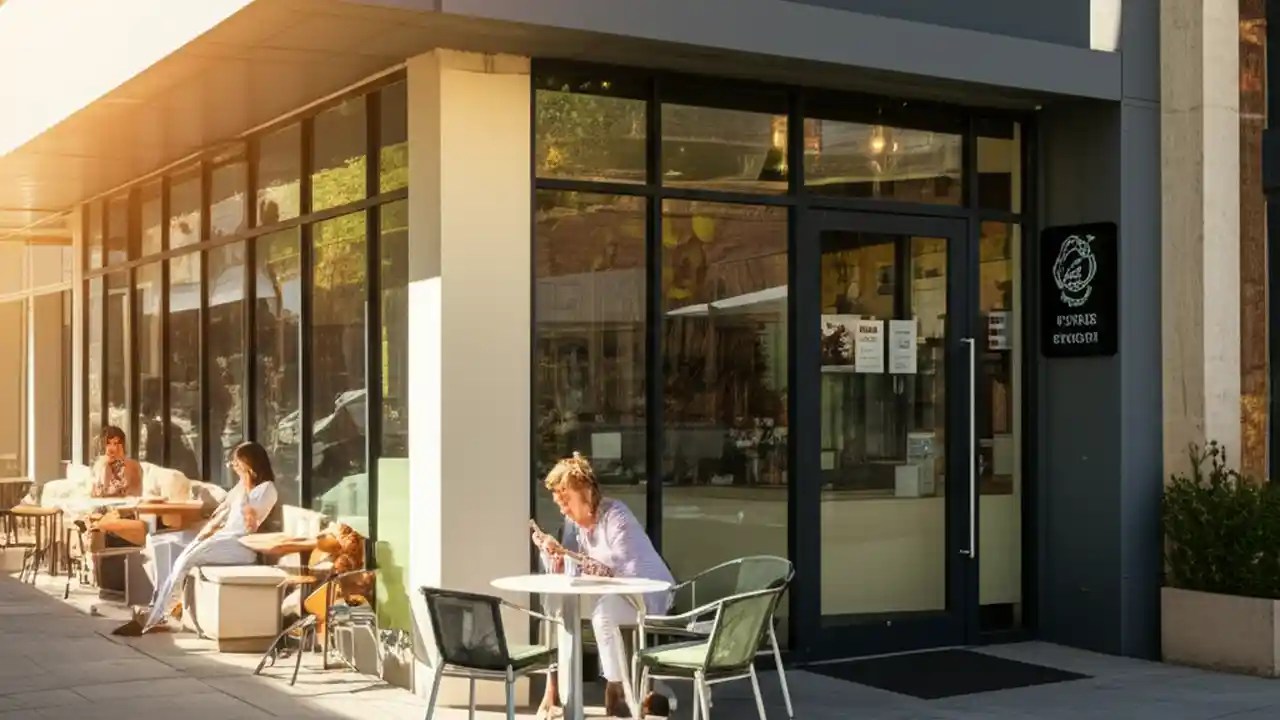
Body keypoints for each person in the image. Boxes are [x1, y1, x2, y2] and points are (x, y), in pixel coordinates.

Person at [532, 453, 674, 718]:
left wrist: (569, 556)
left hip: (645, 591)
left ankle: (618, 690)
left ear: (586, 492)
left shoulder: (616, 516)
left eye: (567, 501)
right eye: (559, 503)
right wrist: (555, 555)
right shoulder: (574, 523)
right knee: (556, 607)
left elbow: (621, 572)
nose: (563, 509)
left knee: (603, 614)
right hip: (609, 591)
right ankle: (557, 691)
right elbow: (572, 562)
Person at [112, 441, 279, 636]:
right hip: (223, 537)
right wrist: (207, 530)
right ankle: (157, 612)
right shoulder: (241, 487)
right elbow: (222, 511)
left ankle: (158, 616)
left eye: (237, 463)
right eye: (233, 463)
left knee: (185, 562)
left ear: (250, 463)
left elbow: (250, 521)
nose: (234, 468)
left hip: (240, 545)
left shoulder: (267, 489)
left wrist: (245, 485)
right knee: (177, 556)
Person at [92, 426, 142, 498]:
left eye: (116, 443)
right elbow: (96, 493)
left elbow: (129, 493)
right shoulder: (101, 465)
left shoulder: (132, 466)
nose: (112, 448)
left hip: (128, 507)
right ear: (103, 446)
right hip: (106, 506)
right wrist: (106, 467)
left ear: (122, 446)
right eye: (108, 443)